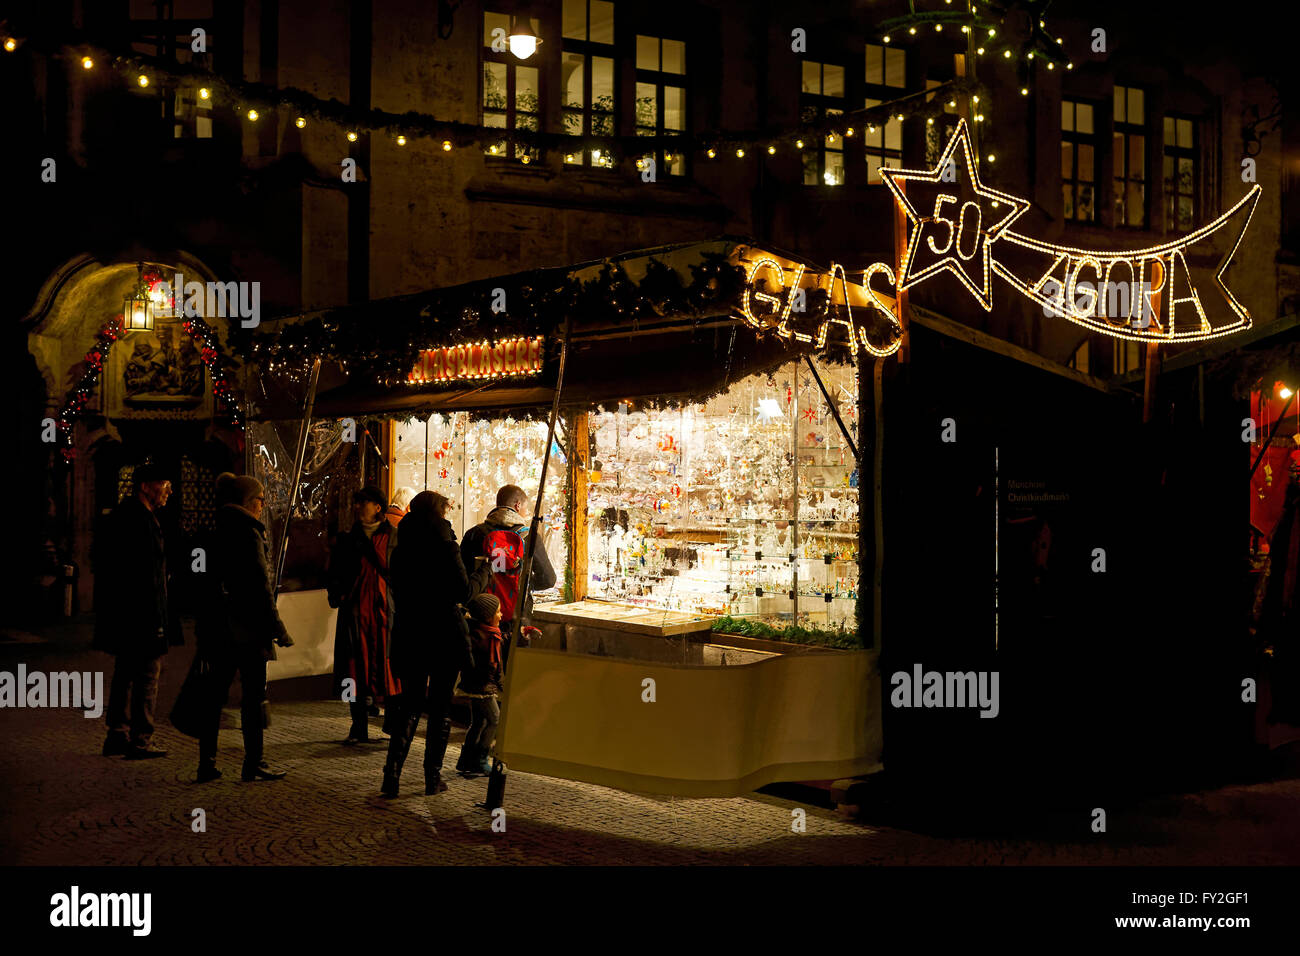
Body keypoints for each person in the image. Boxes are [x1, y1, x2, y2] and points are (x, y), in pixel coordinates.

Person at [195, 473, 295, 782]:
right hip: (248, 630)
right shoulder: (249, 533)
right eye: (262, 500)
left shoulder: (211, 530)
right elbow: (259, 588)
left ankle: (207, 762)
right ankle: (254, 761)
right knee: (253, 697)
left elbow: (199, 582)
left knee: (214, 696)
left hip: (218, 628)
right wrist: (278, 628)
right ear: (251, 502)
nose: (264, 505)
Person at [382, 491, 475, 796]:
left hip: (410, 632)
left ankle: (391, 775)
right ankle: (432, 778)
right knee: (439, 707)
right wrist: (483, 573)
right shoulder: (446, 546)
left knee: (409, 705)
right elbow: (463, 591)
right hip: (443, 635)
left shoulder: (402, 548)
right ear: (439, 513)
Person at [93, 462, 182, 759]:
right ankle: (141, 739)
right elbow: (146, 577)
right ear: (145, 486)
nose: (169, 490)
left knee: (125, 673)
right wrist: (157, 619)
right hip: (142, 616)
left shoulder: (125, 516)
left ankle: (116, 734)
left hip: (126, 615)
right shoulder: (140, 520)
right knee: (146, 675)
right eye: (163, 484)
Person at [327, 485, 400, 743]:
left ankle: (393, 724)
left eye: (364, 502)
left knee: (390, 667)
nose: (358, 507)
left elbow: (401, 573)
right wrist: (338, 595)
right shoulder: (347, 539)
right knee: (353, 669)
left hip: (386, 614)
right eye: (357, 503)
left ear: (378, 507)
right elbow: (335, 572)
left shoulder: (394, 537)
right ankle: (358, 725)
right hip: (356, 615)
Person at [460, 484, 557, 634]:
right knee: (515, 657)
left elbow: (462, 578)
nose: (525, 513)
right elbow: (549, 579)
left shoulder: (474, 534)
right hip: (517, 619)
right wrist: (523, 583)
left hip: (480, 619)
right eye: (525, 508)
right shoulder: (529, 537)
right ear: (518, 506)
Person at [455, 593, 504, 777]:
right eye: (498, 612)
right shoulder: (485, 638)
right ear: (487, 616)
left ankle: (466, 759)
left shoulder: (484, 633)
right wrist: (496, 683)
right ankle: (481, 759)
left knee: (478, 722)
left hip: (477, 686)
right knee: (494, 719)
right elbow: (489, 666)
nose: (501, 615)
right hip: (481, 687)